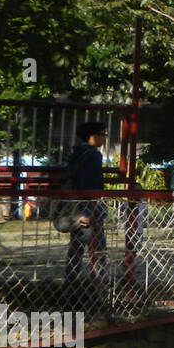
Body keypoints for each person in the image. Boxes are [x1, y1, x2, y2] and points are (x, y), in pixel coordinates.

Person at [64, 121, 110, 311]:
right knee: (98, 253)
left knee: (75, 254)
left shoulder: (76, 153)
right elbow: (89, 185)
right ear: (92, 136)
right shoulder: (93, 155)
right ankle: (96, 296)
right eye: (102, 134)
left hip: (75, 210)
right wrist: (87, 213)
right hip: (89, 211)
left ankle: (70, 294)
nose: (103, 138)